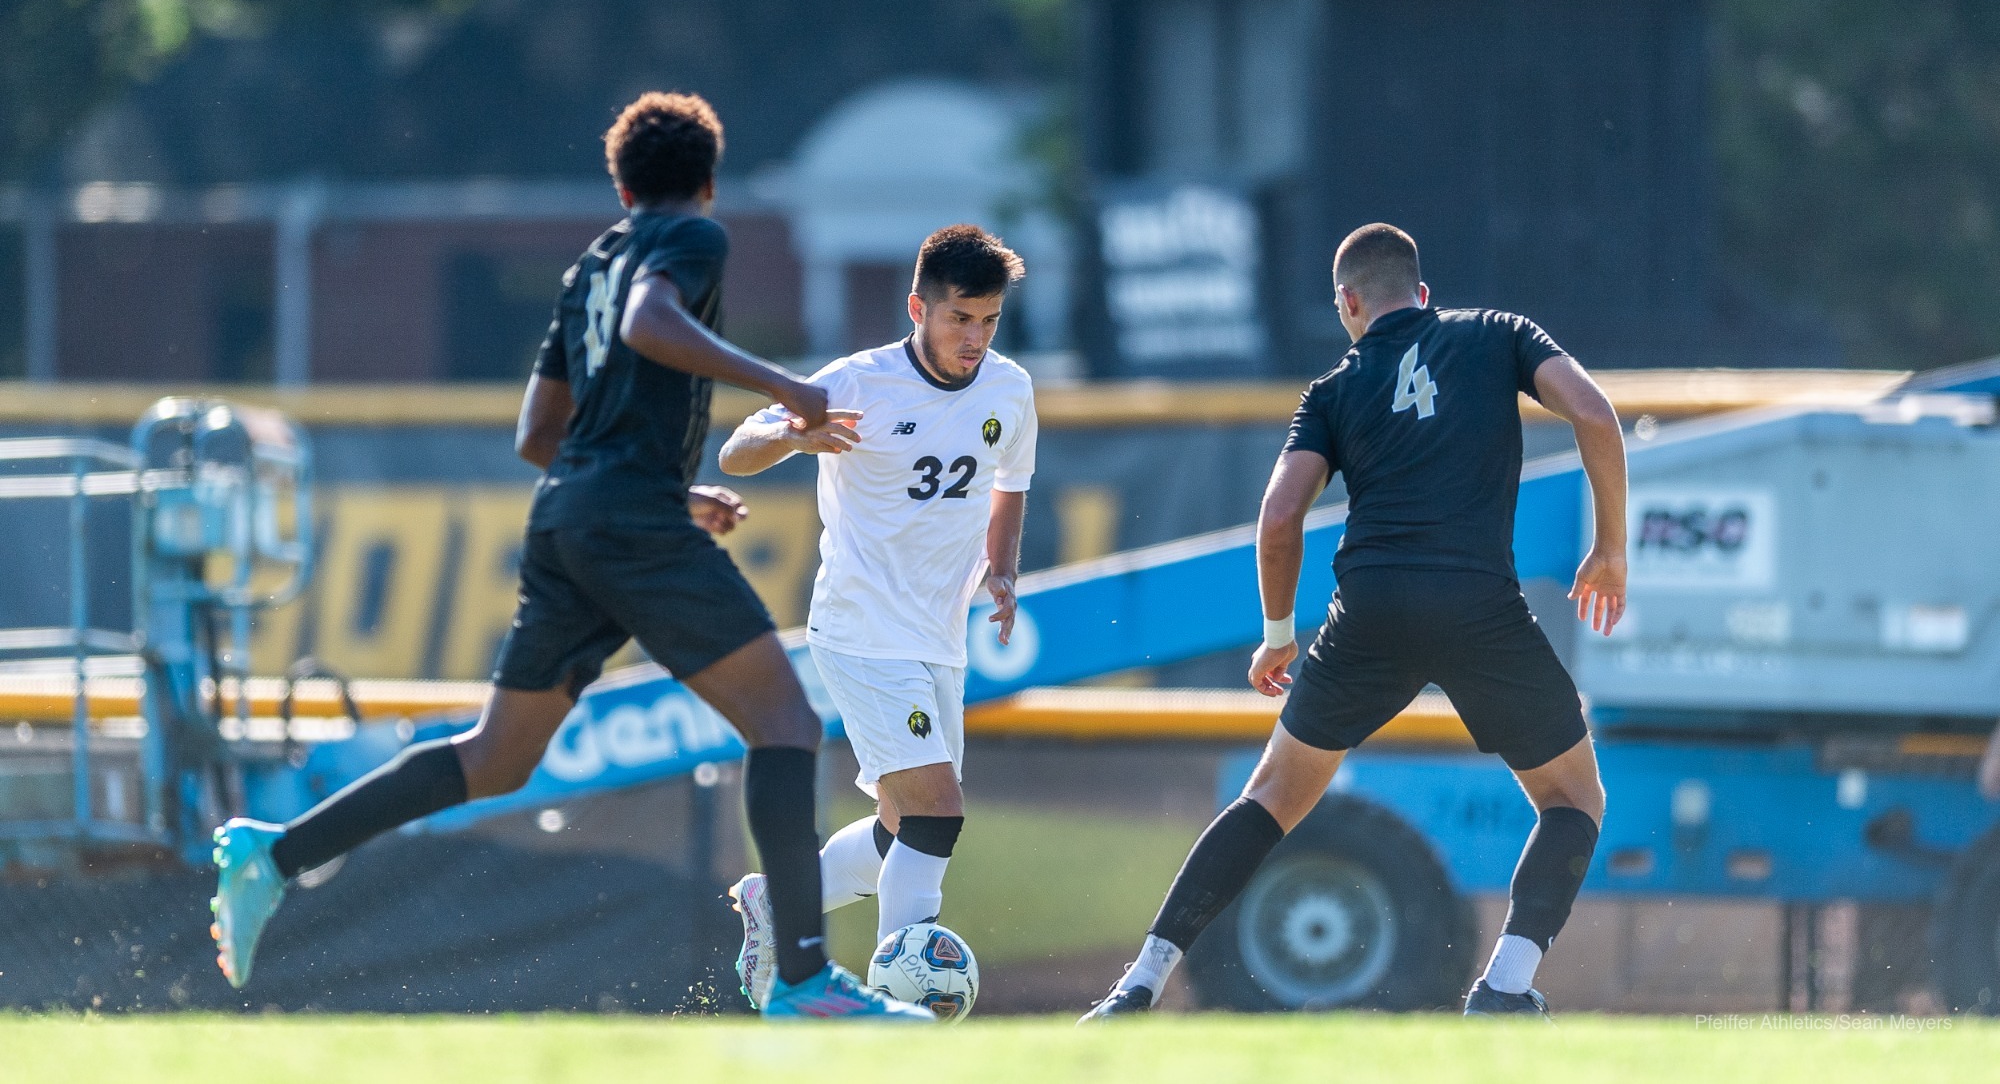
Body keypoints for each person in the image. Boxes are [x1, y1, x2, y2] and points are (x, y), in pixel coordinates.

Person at [208, 91, 930, 1021]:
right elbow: (650, 324)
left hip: (567, 520)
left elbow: (536, 431)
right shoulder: (692, 238)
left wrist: (665, 490)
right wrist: (790, 387)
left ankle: (273, 856)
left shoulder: (589, 263)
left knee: (496, 758)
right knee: (785, 726)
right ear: (705, 182)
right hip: (628, 526)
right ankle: (801, 983)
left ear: (621, 182)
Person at [1079, 223, 1628, 1022]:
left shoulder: (1333, 391)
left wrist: (1276, 634)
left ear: (1348, 303)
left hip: (1369, 611)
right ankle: (1506, 984)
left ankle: (1140, 984)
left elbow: (1278, 515)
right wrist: (1609, 549)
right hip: (1479, 606)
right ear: (1423, 292)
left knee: (1269, 800)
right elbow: (1597, 414)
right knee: (1574, 800)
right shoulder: (1501, 335)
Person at [715, 225, 1036, 1010]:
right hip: (861, 630)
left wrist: (1002, 565)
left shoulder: (1009, 388)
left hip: (937, 634)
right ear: (917, 307)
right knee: (938, 809)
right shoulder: (857, 382)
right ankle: (908, 1003)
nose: (976, 338)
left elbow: (1011, 480)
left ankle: (779, 900)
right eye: (961, 318)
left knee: (901, 829)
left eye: (990, 320)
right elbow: (736, 451)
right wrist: (795, 435)